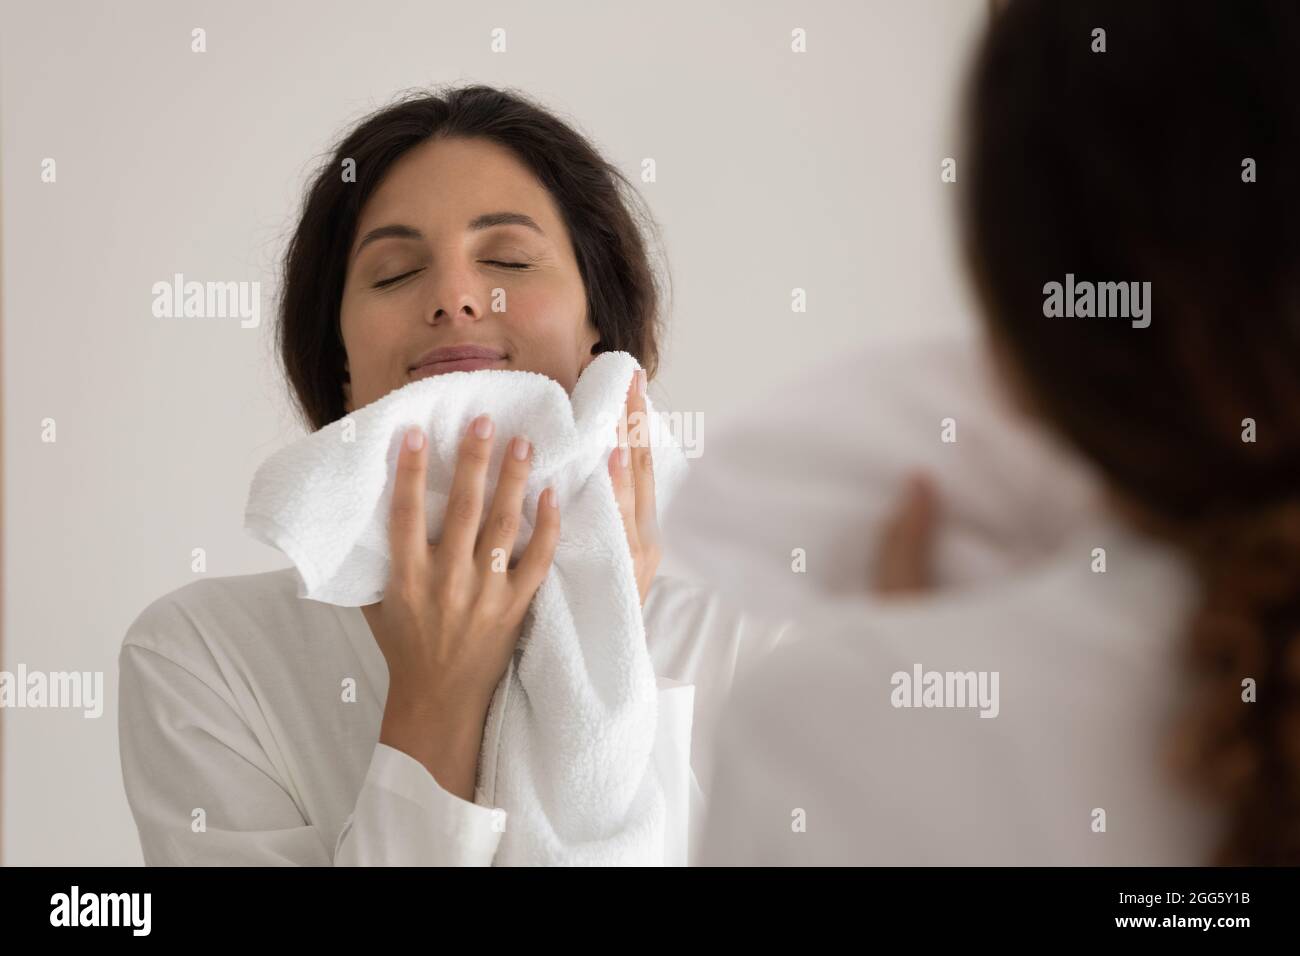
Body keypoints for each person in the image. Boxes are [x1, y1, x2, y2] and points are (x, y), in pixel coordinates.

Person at [117, 86, 789, 866]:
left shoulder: (748, 635)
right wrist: (436, 699)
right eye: (395, 273)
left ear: (596, 323)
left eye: (507, 259)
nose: (456, 298)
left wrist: (608, 619)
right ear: (339, 361)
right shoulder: (204, 660)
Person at [698, 0, 1300, 865]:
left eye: (507, 258)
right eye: (416, 265)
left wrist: (904, 716)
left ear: (1015, 322)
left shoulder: (823, 734)